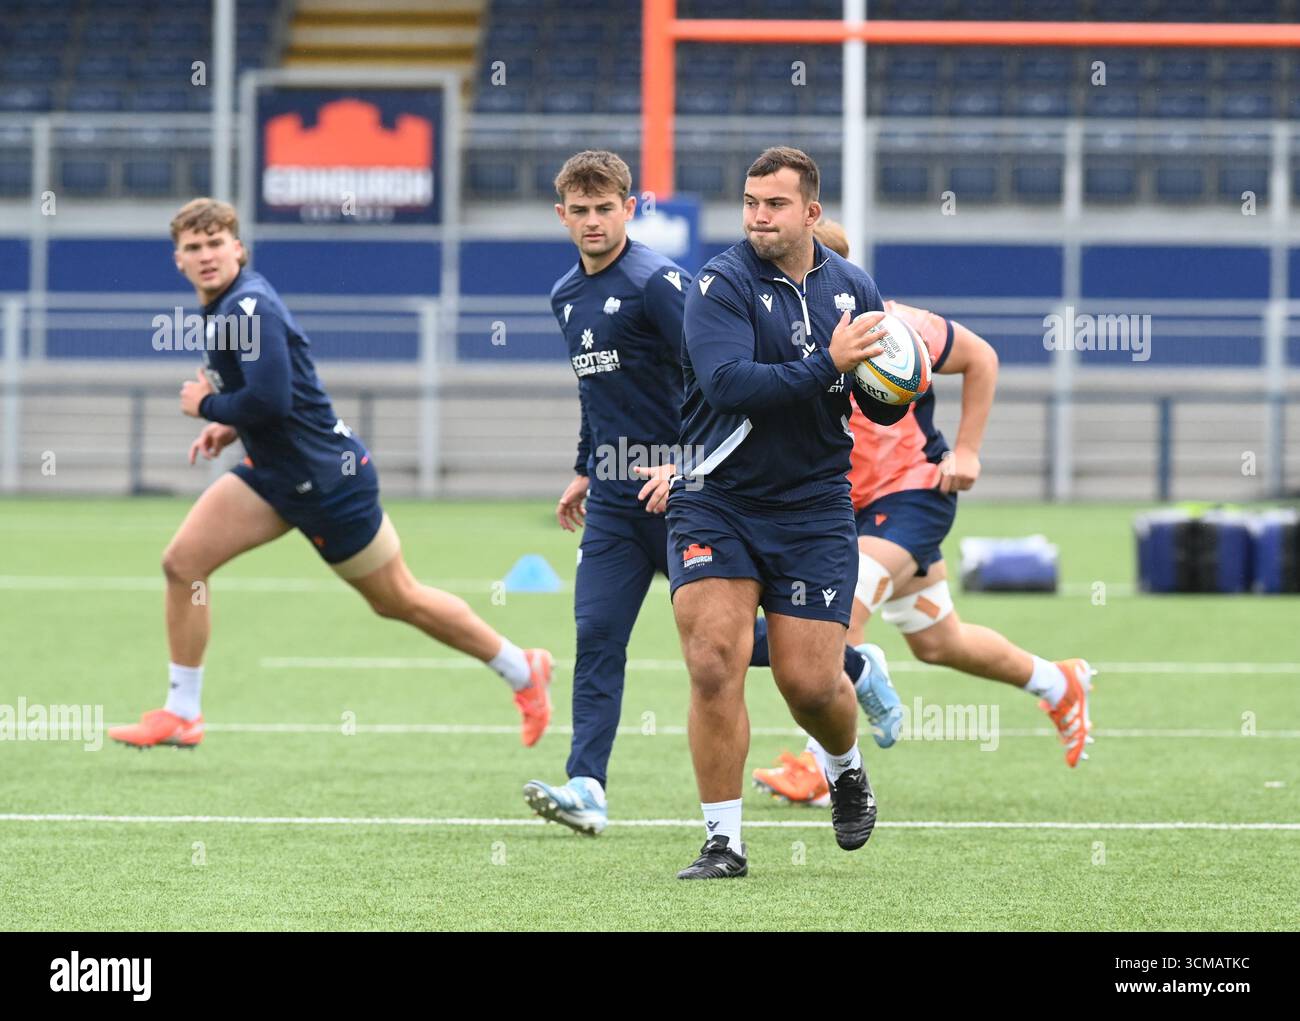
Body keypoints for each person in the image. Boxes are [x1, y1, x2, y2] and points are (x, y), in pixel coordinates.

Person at [109, 198, 553, 750]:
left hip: (327, 482)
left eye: (216, 243)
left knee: (398, 599)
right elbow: (271, 394)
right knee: (183, 564)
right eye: (193, 248)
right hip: (274, 475)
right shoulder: (226, 306)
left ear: (238, 248)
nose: (206, 255)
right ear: (178, 259)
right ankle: (182, 711)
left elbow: (269, 401)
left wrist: (207, 408)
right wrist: (231, 426)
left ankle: (522, 668)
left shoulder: (248, 306)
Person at [751, 219, 1095, 808]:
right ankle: (1056, 681)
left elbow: (981, 358)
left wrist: (967, 450)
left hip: (912, 493)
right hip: (844, 507)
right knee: (940, 641)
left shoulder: (895, 325)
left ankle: (825, 768)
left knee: (836, 616)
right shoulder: (780, 337)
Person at [668, 148, 907, 879]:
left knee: (809, 681)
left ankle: (844, 765)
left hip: (812, 508)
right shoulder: (719, 282)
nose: (758, 217)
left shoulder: (853, 286)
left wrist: (891, 386)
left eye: (774, 204)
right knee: (715, 661)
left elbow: (871, 398)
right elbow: (730, 382)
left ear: (812, 213)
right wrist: (829, 364)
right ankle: (723, 840)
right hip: (718, 499)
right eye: (749, 202)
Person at [522, 151, 691, 834]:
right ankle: (586, 785)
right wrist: (587, 466)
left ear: (630, 207)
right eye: (580, 211)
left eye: (605, 208)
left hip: (687, 491)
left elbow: (715, 377)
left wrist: (684, 462)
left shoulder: (659, 283)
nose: (593, 221)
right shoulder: (565, 294)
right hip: (619, 499)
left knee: (723, 647)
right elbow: (598, 390)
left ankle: (849, 661)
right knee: (596, 634)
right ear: (562, 216)